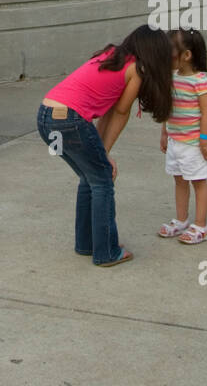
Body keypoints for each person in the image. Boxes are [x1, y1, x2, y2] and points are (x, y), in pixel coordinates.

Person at [36, 25, 174, 266]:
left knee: (90, 177)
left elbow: (110, 110)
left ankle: (87, 243)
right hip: (70, 119)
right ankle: (107, 252)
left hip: (46, 116)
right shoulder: (137, 69)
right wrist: (104, 154)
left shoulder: (111, 56)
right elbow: (120, 112)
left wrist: (102, 152)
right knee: (102, 179)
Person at [158, 28, 207, 244]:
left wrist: (204, 141)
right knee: (179, 180)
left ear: (187, 55)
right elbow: (168, 107)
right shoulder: (172, 77)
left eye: (171, 50)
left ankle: (202, 226)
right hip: (175, 141)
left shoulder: (201, 82)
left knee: (199, 182)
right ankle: (181, 220)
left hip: (193, 144)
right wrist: (164, 132)